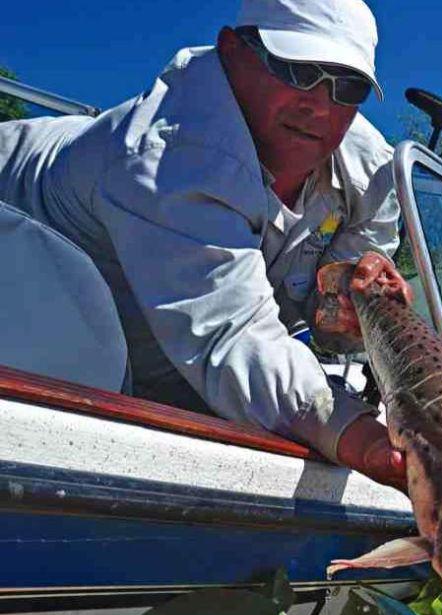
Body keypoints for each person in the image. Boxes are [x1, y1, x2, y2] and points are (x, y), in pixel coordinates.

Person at [0, 0, 407, 487]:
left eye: (349, 86)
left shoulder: (375, 172)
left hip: (156, 342)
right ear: (232, 50)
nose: (320, 105)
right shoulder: (170, 156)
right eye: (298, 70)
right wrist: (370, 443)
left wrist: (358, 308)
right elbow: (230, 336)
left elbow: (330, 314)